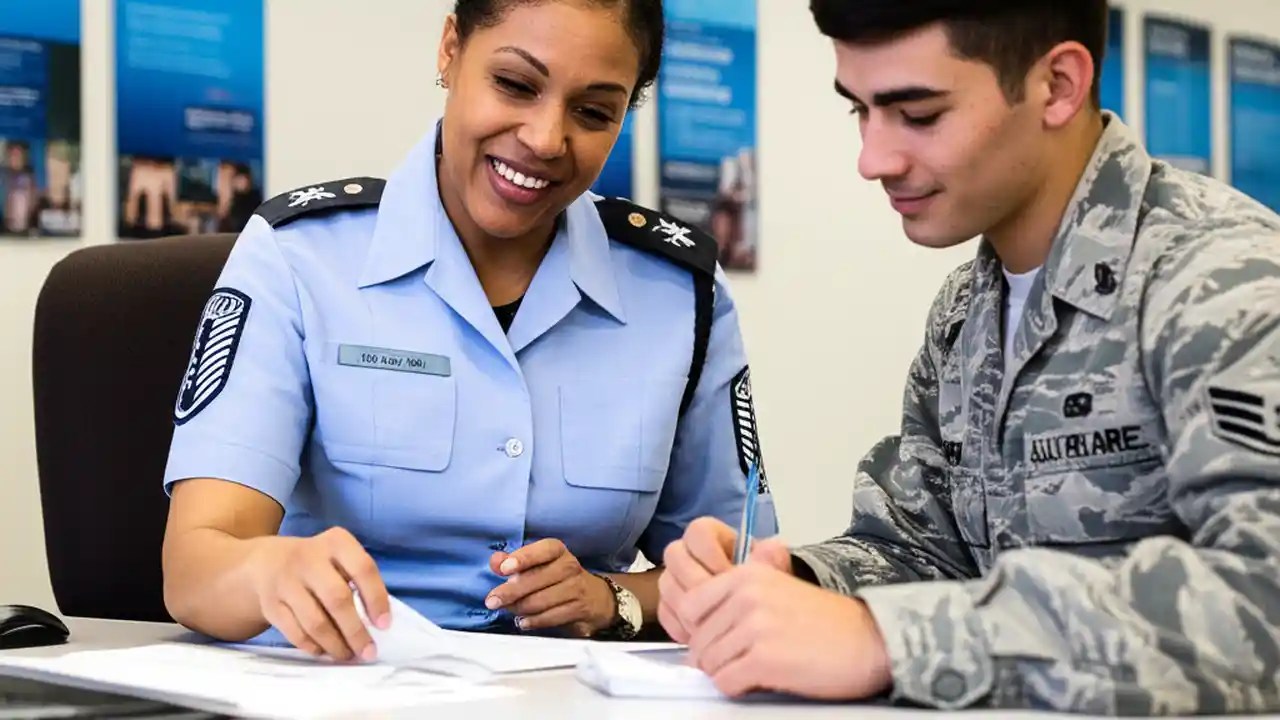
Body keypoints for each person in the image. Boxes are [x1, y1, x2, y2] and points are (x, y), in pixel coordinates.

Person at [659, 0, 1280, 713]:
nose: (873, 160)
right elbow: (926, 555)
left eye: (918, 115)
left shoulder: (1225, 282)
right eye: (858, 111)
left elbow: (1264, 601)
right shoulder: (966, 309)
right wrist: (784, 586)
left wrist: (884, 641)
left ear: (1058, 85)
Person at [161, 0, 777, 665]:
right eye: (515, 85)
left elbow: (742, 573)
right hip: (346, 685)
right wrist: (269, 573)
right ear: (450, 50)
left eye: (593, 112)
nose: (545, 139)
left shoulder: (679, 294)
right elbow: (196, 565)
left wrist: (614, 599)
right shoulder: (298, 257)